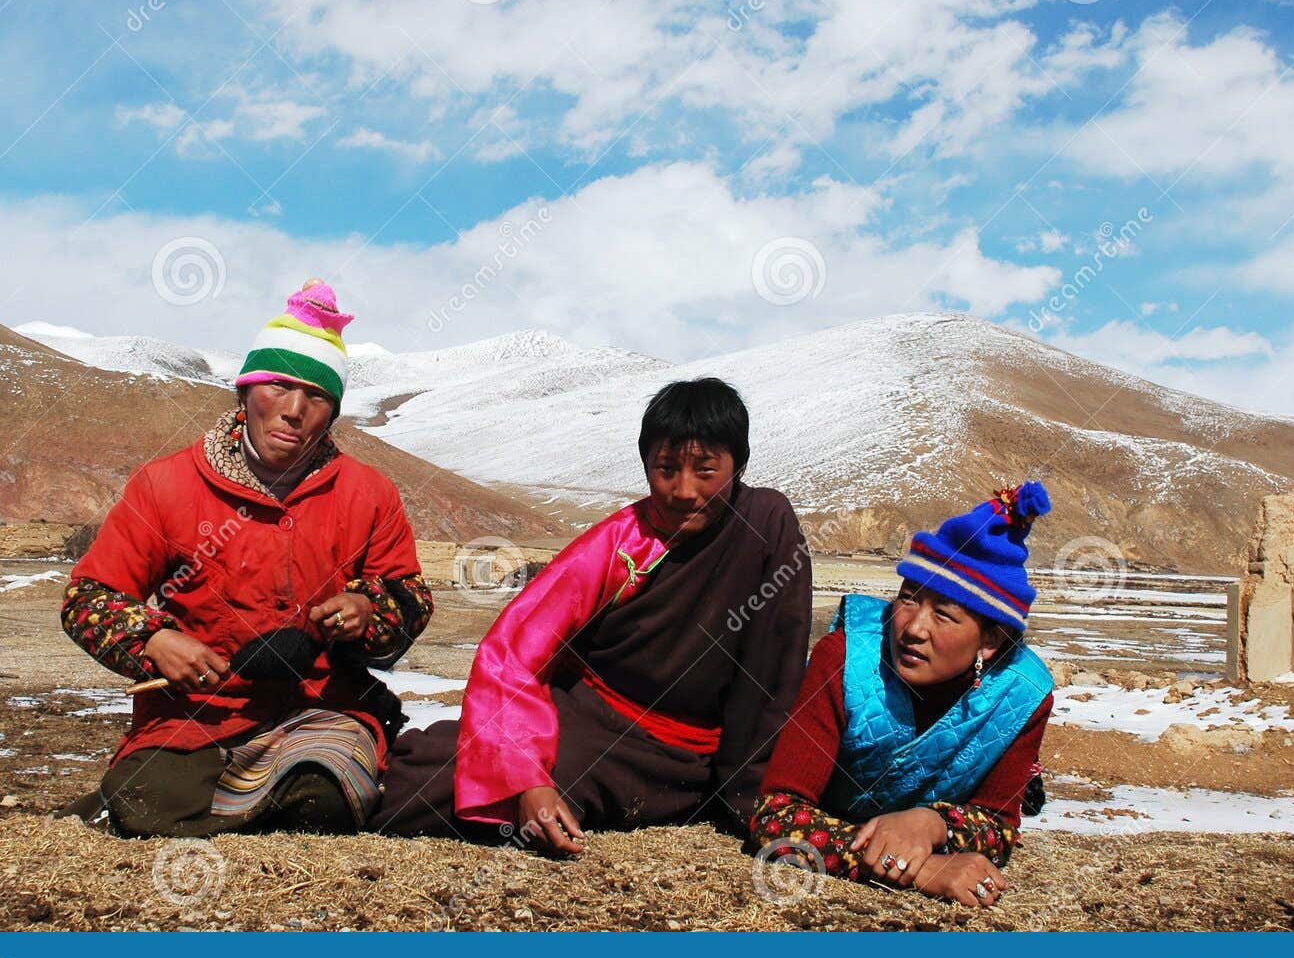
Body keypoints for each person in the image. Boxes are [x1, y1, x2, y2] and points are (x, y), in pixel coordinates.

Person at [367, 378, 812, 851]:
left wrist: (752, 794)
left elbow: (772, 666)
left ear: (737, 465)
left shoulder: (764, 524)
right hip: (588, 715)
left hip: (685, 753)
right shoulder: (623, 541)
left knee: (514, 792)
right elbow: (514, 649)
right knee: (430, 762)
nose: (684, 491)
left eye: (706, 470)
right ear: (646, 465)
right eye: (666, 469)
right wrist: (523, 773)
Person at [57, 280, 433, 837]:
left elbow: (410, 597)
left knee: (321, 807)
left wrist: (367, 610)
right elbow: (87, 597)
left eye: (317, 397)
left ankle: (262, 793)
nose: (294, 411)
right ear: (245, 391)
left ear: (332, 413)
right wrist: (155, 640)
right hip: (197, 713)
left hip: (323, 706)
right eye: (278, 386)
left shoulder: (367, 493)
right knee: (147, 804)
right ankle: (229, 795)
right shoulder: (166, 485)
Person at [748, 482, 1056, 908]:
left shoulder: (1021, 696)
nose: (913, 628)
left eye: (944, 615)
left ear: (991, 640)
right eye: (908, 599)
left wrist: (931, 824)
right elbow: (778, 814)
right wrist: (919, 869)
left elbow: (1000, 826)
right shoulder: (843, 657)